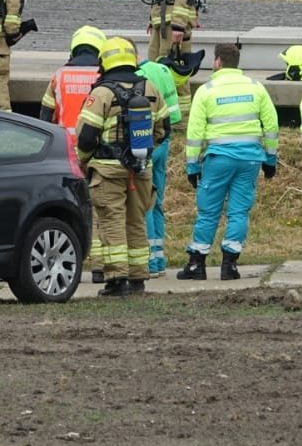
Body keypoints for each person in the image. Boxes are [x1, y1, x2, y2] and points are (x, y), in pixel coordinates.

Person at [74, 37, 171, 297]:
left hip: (107, 170)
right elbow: (164, 129)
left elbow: (85, 137)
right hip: (141, 168)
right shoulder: (150, 88)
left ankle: (117, 279)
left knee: (111, 221)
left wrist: (83, 160)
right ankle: (138, 278)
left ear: (105, 61)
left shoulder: (102, 93)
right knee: (136, 221)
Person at [179, 43, 279, 282]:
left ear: (217, 62)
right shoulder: (256, 88)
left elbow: (195, 133)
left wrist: (192, 166)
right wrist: (270, 159)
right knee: (239, 211)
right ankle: (229, 264)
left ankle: (197, 263)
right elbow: (272, 126)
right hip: (250, 160)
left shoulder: (206, 90)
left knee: (208, 211)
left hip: (219, 159)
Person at [42, 25, 109, 285]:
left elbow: (45, 118)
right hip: (98, 150)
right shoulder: (103, 76)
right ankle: (101, 267)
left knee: (71, 209)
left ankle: (70, 262)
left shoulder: (59, 76)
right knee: (103, 209)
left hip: (66, 154)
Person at [136, 50, 191, 276]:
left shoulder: (139, 74)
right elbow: (175, 116)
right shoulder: (164, 72)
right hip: (164, 142)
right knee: (157, 202)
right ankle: (159, 259)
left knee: (144, 204)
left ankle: (148, 260)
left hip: (146, 141)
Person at [39, 25, 106, 129]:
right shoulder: (104, 76)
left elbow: (46, 115)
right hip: (93, 142)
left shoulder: (59, 75)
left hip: (65, 142)